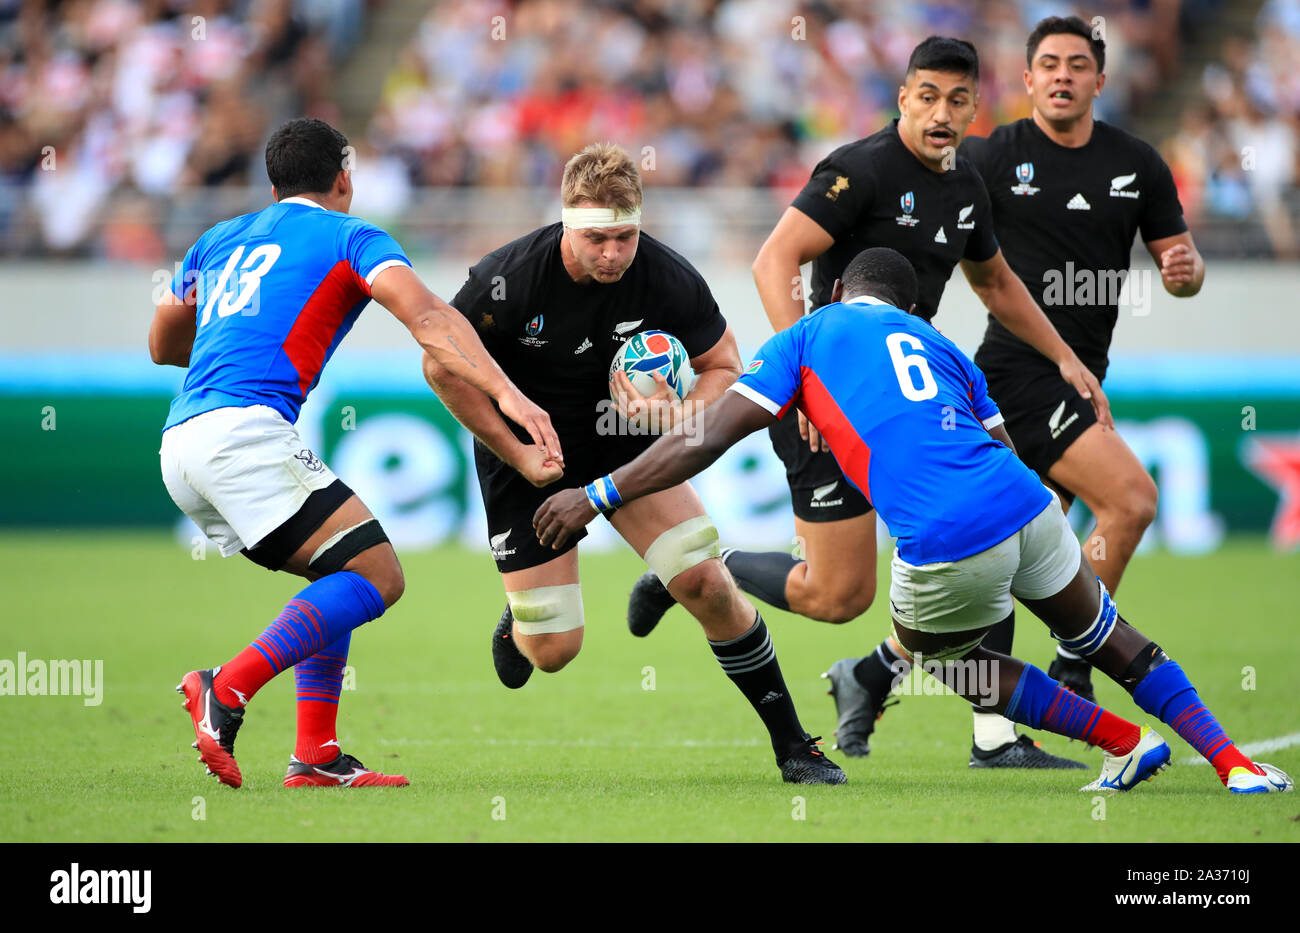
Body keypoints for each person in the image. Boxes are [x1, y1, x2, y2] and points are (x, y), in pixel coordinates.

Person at [535, 248, 1292, 796]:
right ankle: (1236, 765)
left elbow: (707, 435)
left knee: (948, 661)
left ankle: (1123, 742)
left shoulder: (807, 333)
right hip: (1025, 503)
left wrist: (597, 494)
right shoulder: (945, 347)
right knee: (1112, 638)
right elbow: (995, 442)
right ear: (911, 308)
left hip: (942, 535)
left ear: (836, 290)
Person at [629, 36, 1104, 768]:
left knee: (990, 525)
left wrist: (1064, 354)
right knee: (835, 596)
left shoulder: (968, 187)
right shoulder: (860, 169)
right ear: (904, 98)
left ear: (976, 107)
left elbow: (999, 286)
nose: (941, 113)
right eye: (927, 97)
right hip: (830, 406)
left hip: (914, 407)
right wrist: (807, 390)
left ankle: (994, 734)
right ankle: (703, 567)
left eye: (957, 100)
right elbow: (774, 259)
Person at [151, 117, 558, 789]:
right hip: (244, 434)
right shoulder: (352, 235)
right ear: (344, 178)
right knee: (379, 576)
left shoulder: (215, 239)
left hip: (182, 439)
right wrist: (510, 397)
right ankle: (226, 686)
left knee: (338, 569)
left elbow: (163, 344)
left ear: (275, 180)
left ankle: (315, 752)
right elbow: (427, 316)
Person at [421, 142, 844, 784]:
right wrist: (516, 451)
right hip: (529, 455)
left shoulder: (667, 276)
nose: (614, 253)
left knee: (705, 582)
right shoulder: (508, 278)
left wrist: (678, 417)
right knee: (554, 650)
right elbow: (440, 367)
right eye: (598, 240)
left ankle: (795, 748)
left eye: (625, 236)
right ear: (567, 221)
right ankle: (521, 622)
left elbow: (724, 368)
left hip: (626, 448)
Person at [958, 14, 1205, 701]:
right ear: (1029, 79)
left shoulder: (1139, 164)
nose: (1063, 74)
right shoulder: (991, 157)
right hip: (1018, 371)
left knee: (1015, 556)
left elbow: (1180, 266)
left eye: (1077, 64)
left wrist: (1187, 273)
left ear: (1100, 79)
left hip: (1080, 374)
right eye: (1050, 64)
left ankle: (914, 685)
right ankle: (1074, 662)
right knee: (1131, 500)